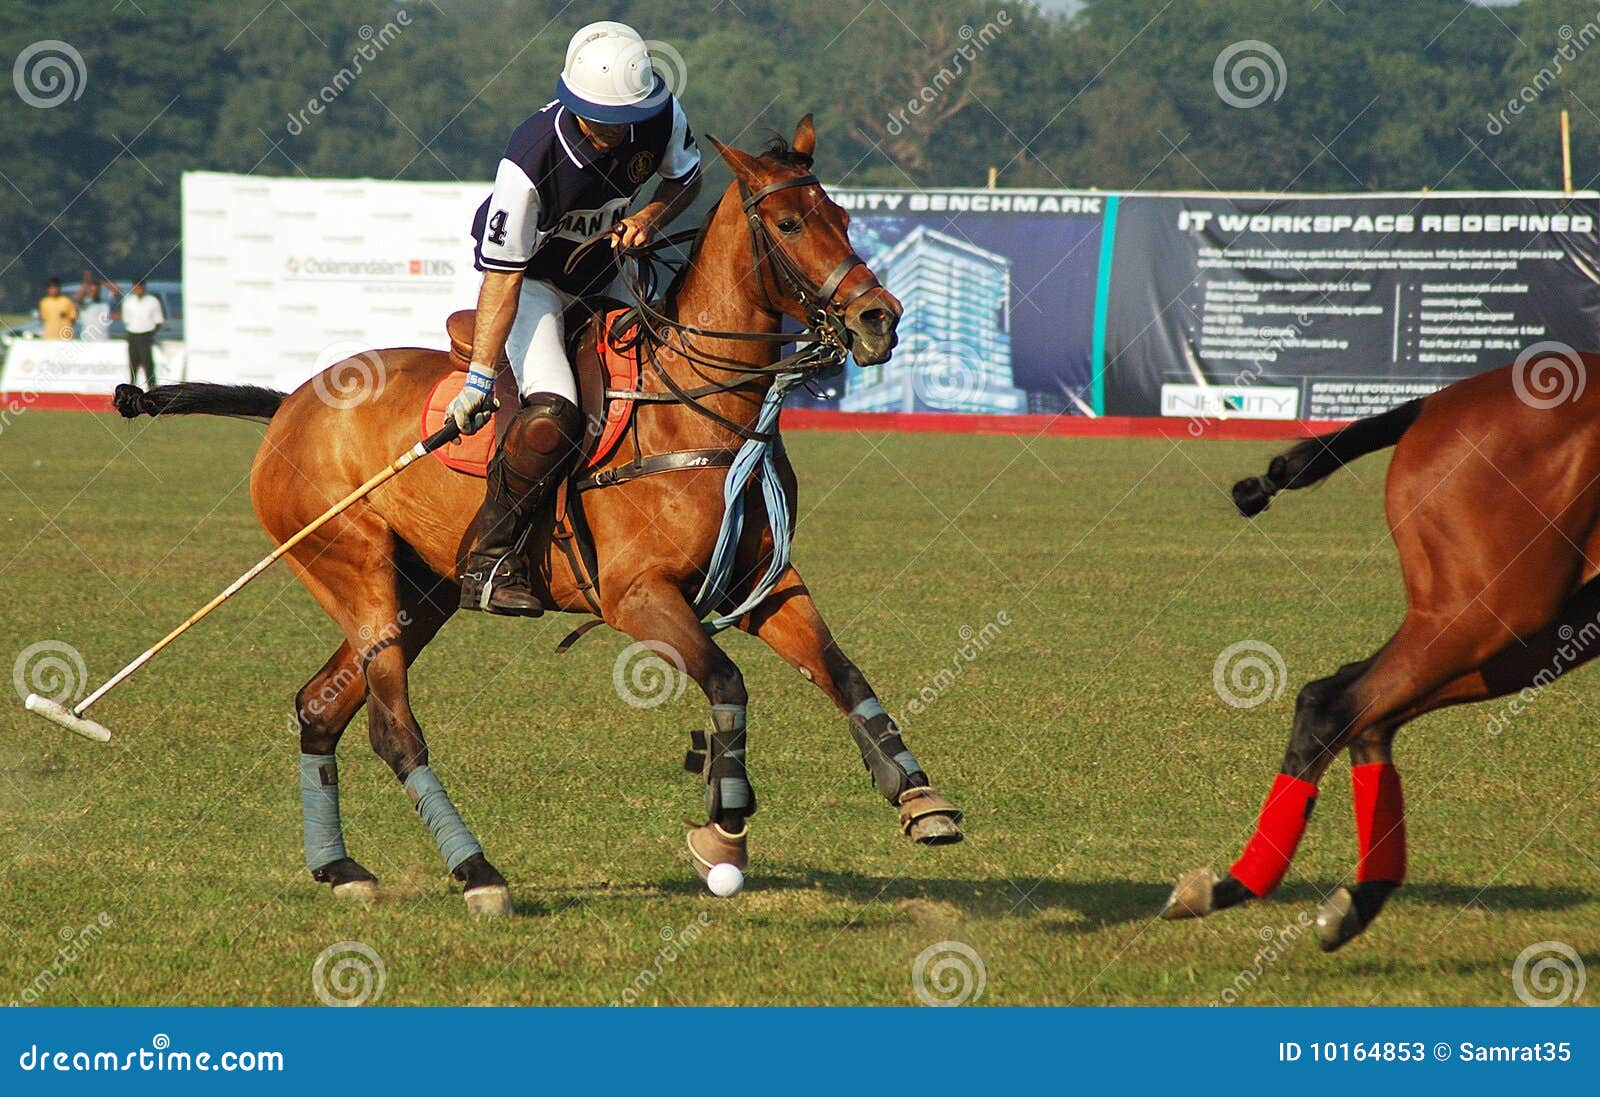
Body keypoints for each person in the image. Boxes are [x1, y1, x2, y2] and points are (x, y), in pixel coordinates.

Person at [447, 20, 703, 615]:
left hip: (604, 271)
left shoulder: (659, 115)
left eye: (622, 121)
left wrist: (653, 217)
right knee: (557, 407)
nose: (614, 133)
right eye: (599, 119)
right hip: (535, 282)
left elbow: (685, 177)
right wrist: (479, 378)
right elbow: (503, 276)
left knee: (657, 381)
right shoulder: (532, 155)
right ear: (572, 102)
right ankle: (491, 559)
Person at [121, 279, 164, 386]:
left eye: (140, 287)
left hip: (146, 335)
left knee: (148, 364)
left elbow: (158, 321)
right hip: (132, 335)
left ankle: (152, 388)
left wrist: (150, 334)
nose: (138, 290)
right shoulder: (128, 301)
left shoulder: (152, 301)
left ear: (144, 287)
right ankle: (132, 388)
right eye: (136, 287)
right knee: (133, 364)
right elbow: (126, 320)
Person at [74, 271, 121, 342]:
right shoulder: (84, 304)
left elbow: (117, 291)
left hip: (104, 342)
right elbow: (78, 297)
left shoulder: (106, 303)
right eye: (92, 290)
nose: (94, 292)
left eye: (97, 290)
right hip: (86, 343)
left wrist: (101, 281)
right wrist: (87, 283)